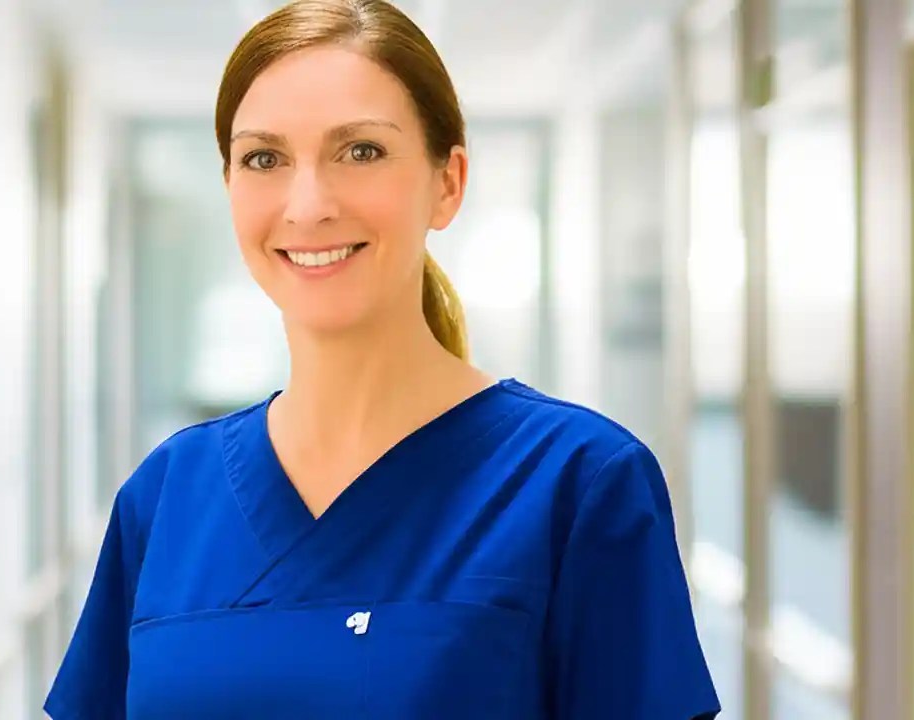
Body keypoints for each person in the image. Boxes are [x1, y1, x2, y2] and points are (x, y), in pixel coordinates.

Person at [44, 0, 720, 717]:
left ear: (448, 182)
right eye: (264, 158)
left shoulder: (577, 484)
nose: (307, 205)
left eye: (361, 150)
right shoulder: (168, 496)